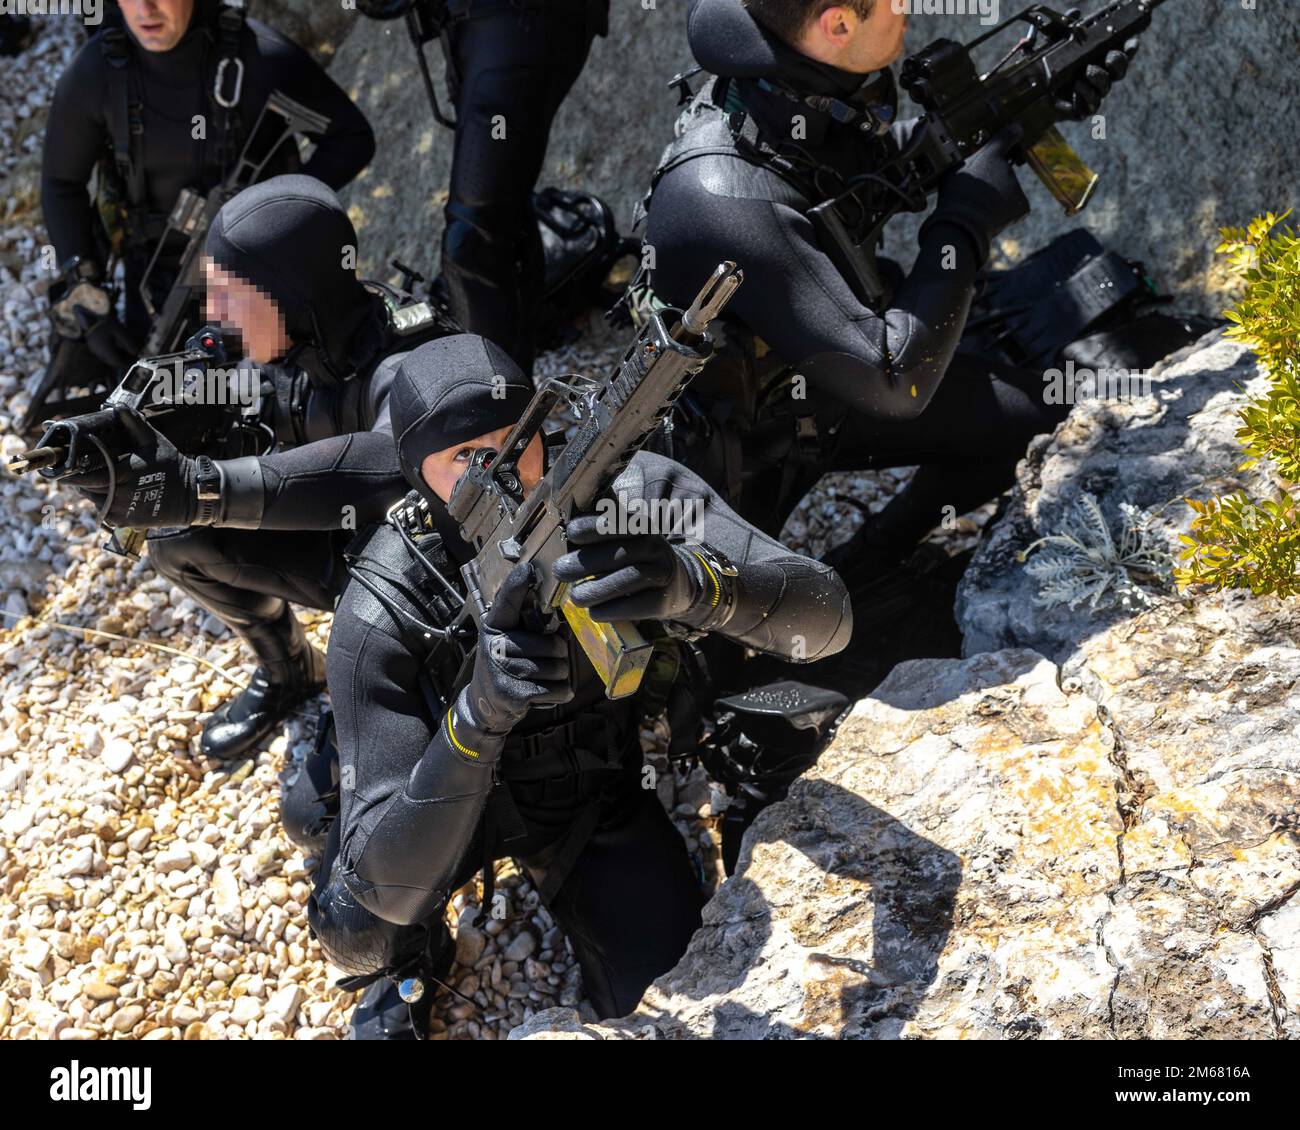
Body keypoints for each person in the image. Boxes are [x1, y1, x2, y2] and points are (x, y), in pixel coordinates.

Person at [305, 333, 852, 1038]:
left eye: (513, 442)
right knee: (355, 921)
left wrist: (696, 585)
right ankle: (420, 959)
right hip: (445, 797)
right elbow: (386, 879)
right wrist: (478, 714)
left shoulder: (628, 498)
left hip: (589, 796)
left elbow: (828, 620)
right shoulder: (386, 602)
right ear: (417, 475)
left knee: (674, 983)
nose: (498, 473)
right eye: (464, 460)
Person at [641, 0, 1138, 565]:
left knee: (1045, 418)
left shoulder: (783, 75)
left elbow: (866, 169)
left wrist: (1017, 110)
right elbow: (893, 383)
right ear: (838, 24)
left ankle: (871, 563)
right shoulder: (724, 194)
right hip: (735, 449)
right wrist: (965, 219)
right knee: (726, 635)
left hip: (818, 365)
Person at [61, 174, 454, 762]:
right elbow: (253, 408)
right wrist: (147, 429)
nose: (214, 312)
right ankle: (291, 669)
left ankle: (427, 696)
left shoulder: (413, 369)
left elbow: (376, 470)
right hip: (350, 551)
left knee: (313, 817)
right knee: (176, 538)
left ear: (288, 295)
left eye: (229, 293)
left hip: (429, 591)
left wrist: (203, 488)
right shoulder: (302, 336)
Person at [40, 0, 374, 370]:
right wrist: (87, 294)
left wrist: (276, 214)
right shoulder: (98, 71)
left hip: (261, 281)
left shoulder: (257, 56)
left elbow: (352, 137)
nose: (145, 9)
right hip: (157, 284)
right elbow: (61, 183)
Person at [361, 0, 610, 373]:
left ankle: (494, 414)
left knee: (471, 240)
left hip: (514, 19)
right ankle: (517, 387)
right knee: (504, 216)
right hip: (473, 26)